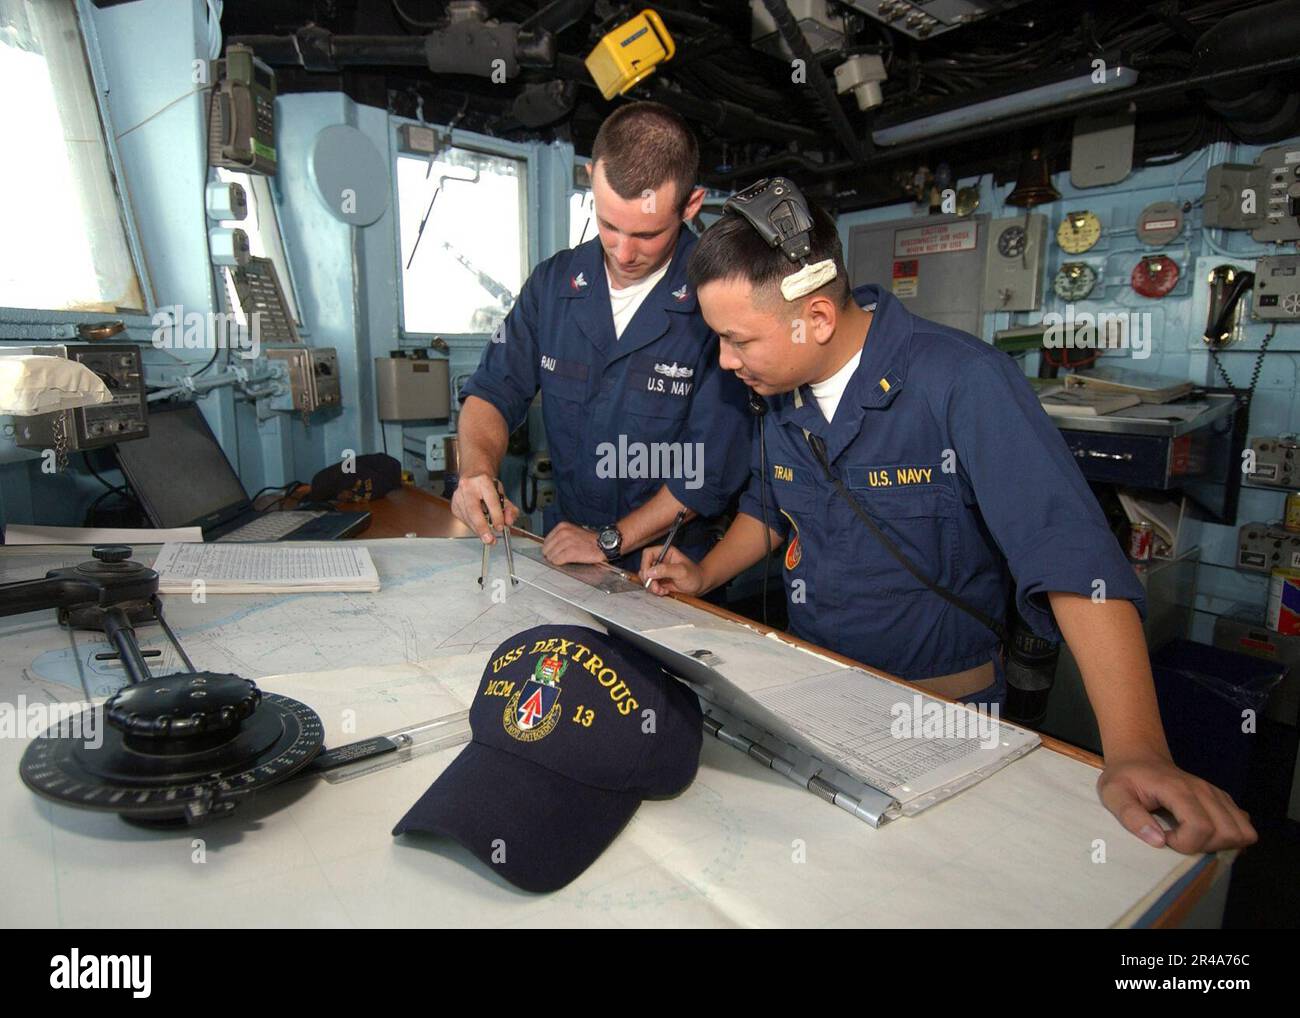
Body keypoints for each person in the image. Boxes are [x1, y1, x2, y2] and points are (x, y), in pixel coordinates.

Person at [641, 183, 1257, 854]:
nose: (725, 363)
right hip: (815, 700)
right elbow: (771, 508)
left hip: (938, 715)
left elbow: (1076, 562)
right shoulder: (781, 395)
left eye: (736, 341)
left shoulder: (965, 383)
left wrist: (1138, 749)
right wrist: (704, 571)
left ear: (815, 317)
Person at [452, 102, 750, 570]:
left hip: (666, 559)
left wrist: (609, 541)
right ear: (591, 178)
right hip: (567, 546)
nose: (623, 251)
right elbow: (492, 392)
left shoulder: (721, 299)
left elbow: (708, 470)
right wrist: (474, 472)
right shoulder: (554, 284)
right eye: (609, 225)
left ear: (691, 205)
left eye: (647, 234)